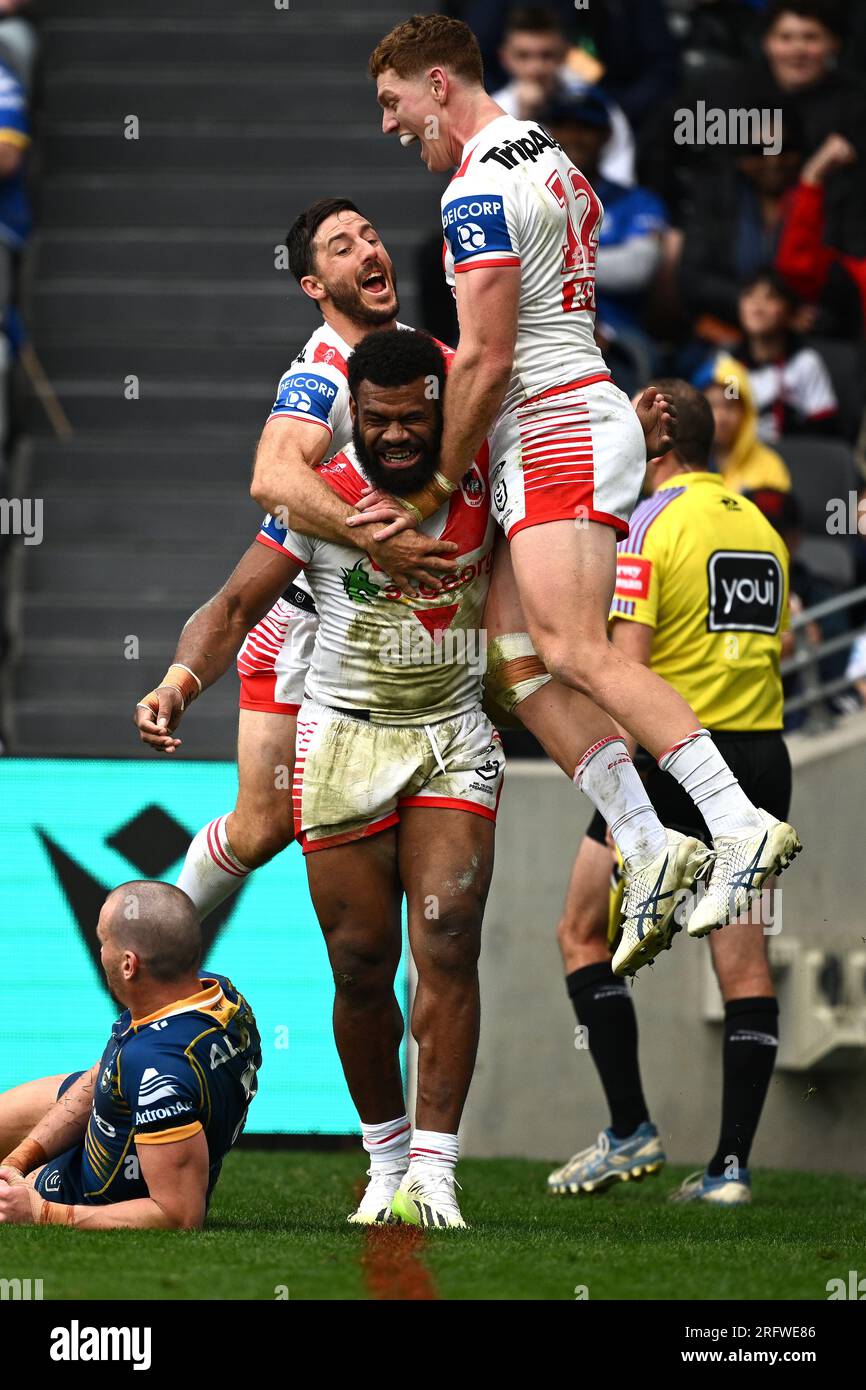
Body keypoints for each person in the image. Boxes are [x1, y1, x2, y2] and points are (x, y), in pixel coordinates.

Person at [356, 13, 800, 962]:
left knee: (573, 646)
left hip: (556, 423)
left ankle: (736, 823)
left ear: (440, 84)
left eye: (394, 104)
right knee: (515, 659)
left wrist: (434, 487)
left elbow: (485, 355)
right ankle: (646, 841)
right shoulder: (546, 149)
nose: (392, 127)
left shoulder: (475, 187)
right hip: (567, 416)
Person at [142, 330, 505, 1231]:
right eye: (375, 421)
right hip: (343, 737)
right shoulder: (323, 495)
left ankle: (437, 1169)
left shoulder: (487, 470)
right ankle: (384, 1162)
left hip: (451, 732)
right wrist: (179, 682)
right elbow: (234, 606)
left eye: (411, 419)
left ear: (440, 404)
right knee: (358, 963)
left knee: (450, 939)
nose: (392, 437)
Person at [169, 198, 458, 920]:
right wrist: (375, 537)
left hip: (408, 624)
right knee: (263, 827)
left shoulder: (428, 356)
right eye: (340, 247)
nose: (367, 250)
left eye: (370, 235)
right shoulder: (323, 375)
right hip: (303, 626)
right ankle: (167, 924)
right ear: (314, 286)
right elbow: (272, 479)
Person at [548, 380, 792, 1206]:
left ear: (652, 445)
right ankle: (730, 1169)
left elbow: (628, 668)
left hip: (674, 759)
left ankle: (629, 1130)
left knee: (581, 932)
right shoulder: (762, 523)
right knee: (743, 957)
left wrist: (619, 787)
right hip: (762, 759)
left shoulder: (650, 524)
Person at [0, 882, 261, 1230]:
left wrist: (41, 1211)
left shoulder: (157, 1067)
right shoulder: (216, 994)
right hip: (114, 1112)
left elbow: (179, 1214)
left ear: (128, 965)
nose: (100, 951)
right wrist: (18, 1160)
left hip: (85, 1190)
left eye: (103, 941)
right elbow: (106, 1071)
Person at [490, 5, 635, 185]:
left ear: (565, 54)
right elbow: (483, 188)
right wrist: (522, 119)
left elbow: (620, 175)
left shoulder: (595, 102)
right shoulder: (489, 113)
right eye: (523, 56)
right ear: (505, 58)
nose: (536, 67)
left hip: (595, 207)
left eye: (547, 55)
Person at [735, 268, 838, 442]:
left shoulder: (806, 363)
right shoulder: (731, 370)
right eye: (749, 295)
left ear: (790, 312)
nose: (758, 306)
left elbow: (824, 428)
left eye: (771, 297)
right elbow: (729, 412)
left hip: (797, 460)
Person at [698, 353, 793, 500]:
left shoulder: (769, 466)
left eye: (729, 407)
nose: (721, 417)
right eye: (712, 406)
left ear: (746, 412)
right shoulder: (686, 465)